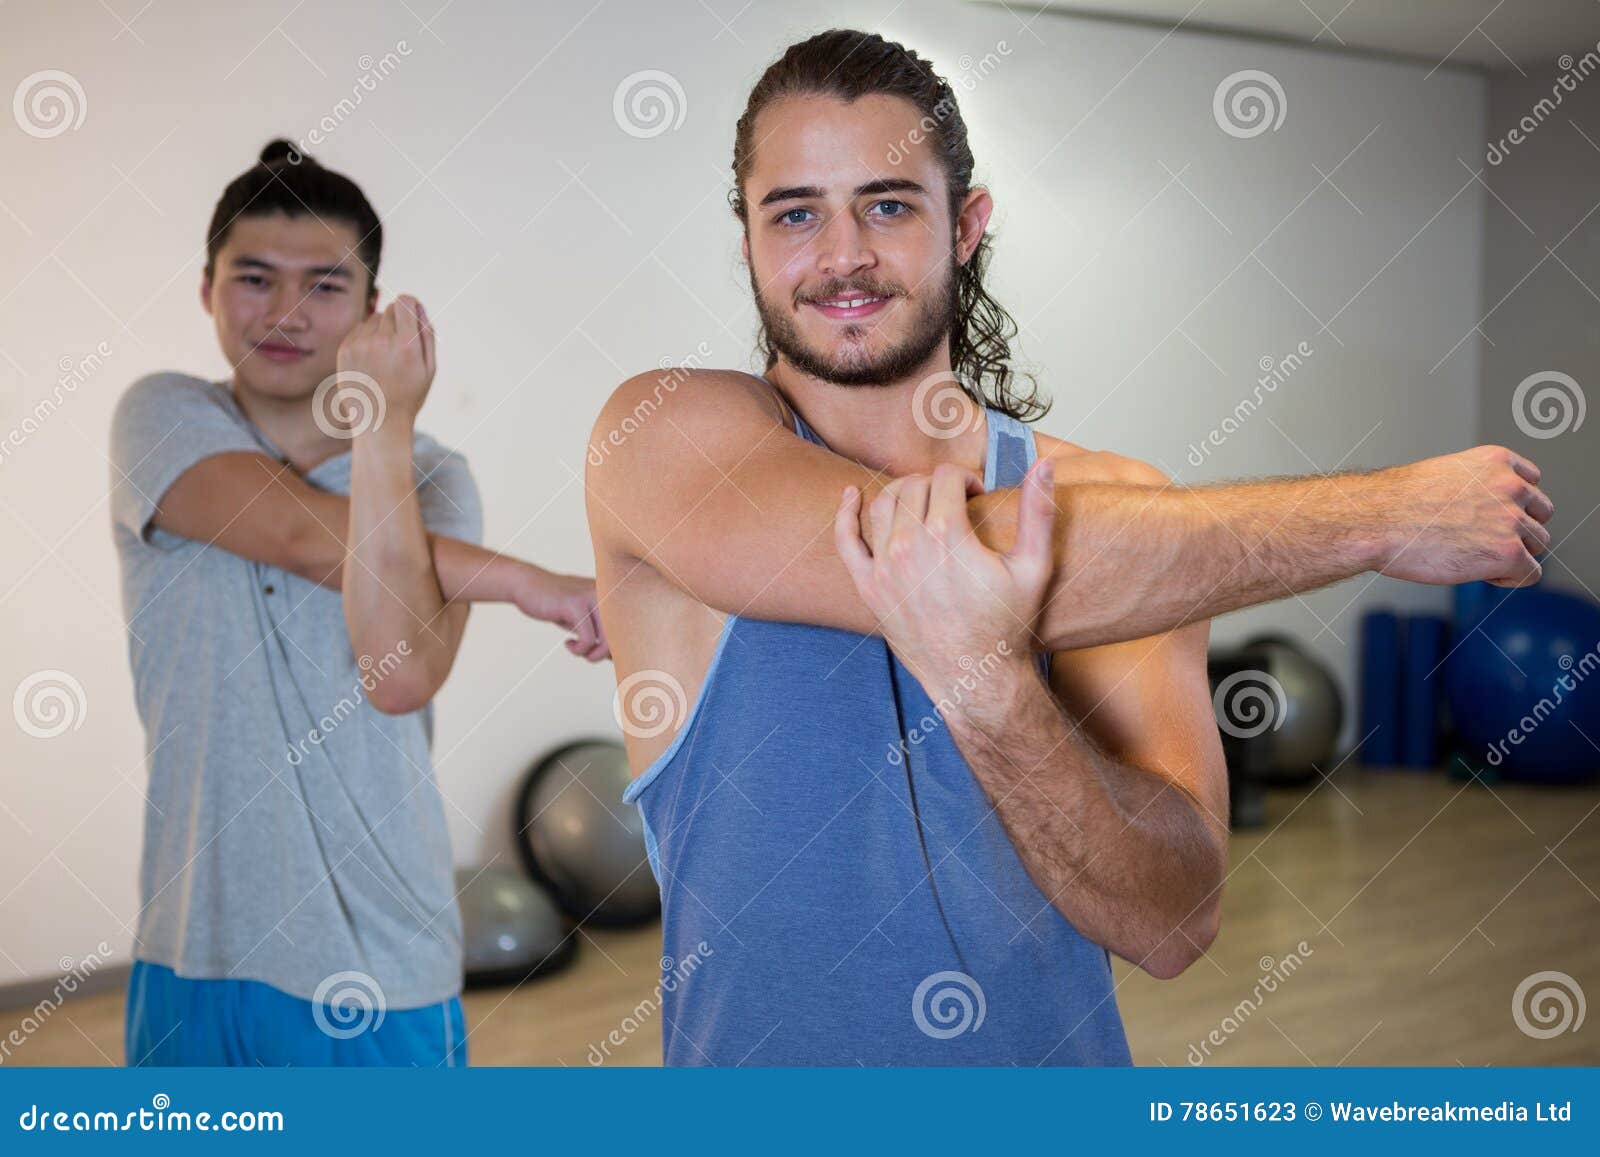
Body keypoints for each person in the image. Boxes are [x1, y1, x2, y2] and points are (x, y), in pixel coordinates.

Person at [585, 30, 1553, 1066]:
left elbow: (1170, 923)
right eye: (794, 213)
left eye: (887, 203)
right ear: (748, 245)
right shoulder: (663, 437)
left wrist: (998, 692)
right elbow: (932, 553)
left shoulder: (1120, 508)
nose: (842, 254)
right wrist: (1379, 516)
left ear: (966, 225)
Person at [110, 141, 606, 1067]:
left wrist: (383, 427)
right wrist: (533, 584)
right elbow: (298, 533)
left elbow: (400, 673)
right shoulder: (163, 416)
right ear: (206, 287)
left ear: (373, 310)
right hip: (192, 941)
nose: (287, 312)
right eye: (254, 277)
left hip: (379, 954)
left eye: (326, 287)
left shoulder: (431, 474)